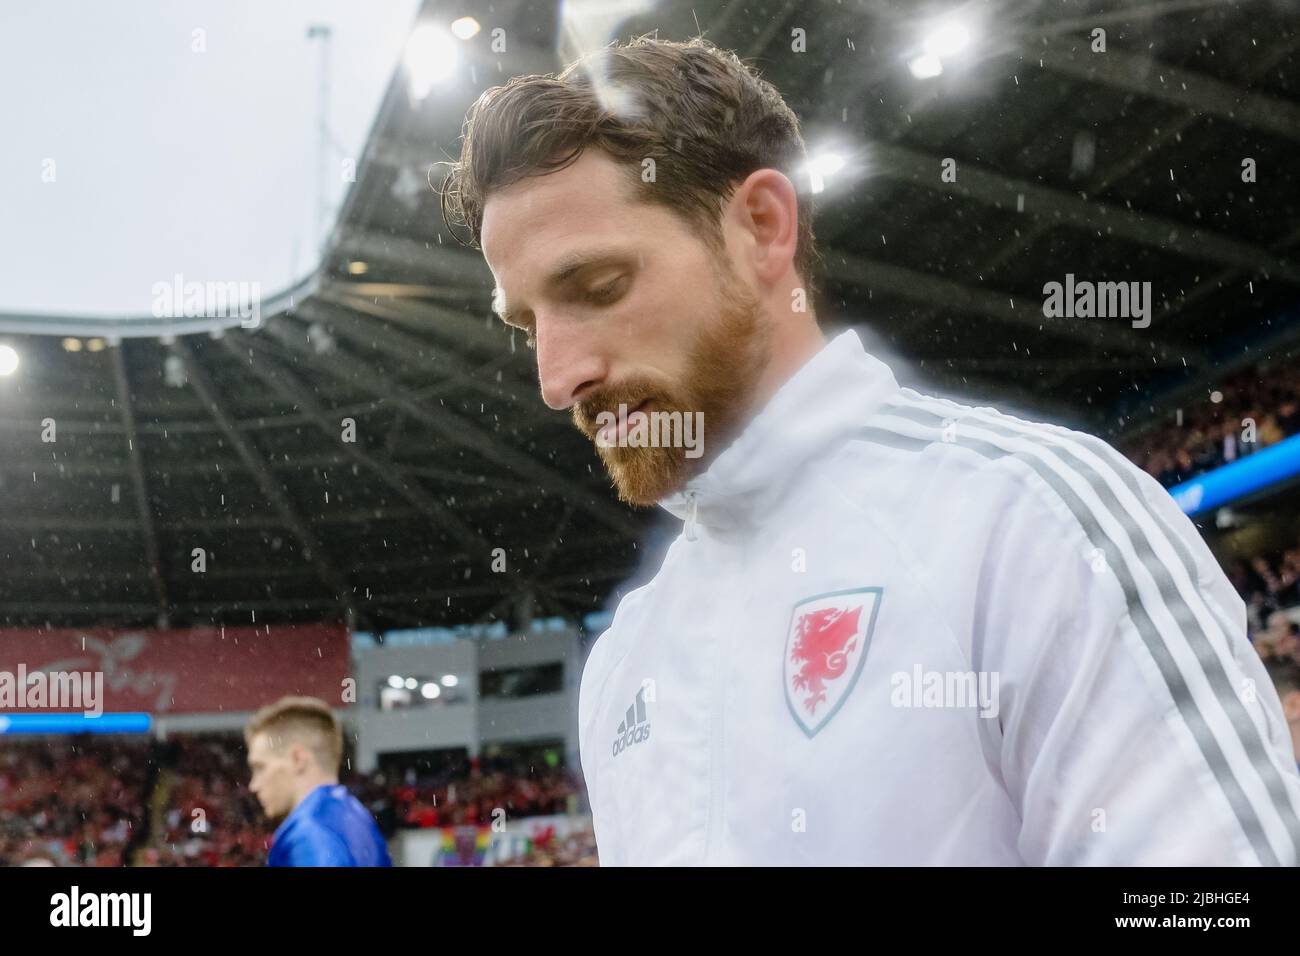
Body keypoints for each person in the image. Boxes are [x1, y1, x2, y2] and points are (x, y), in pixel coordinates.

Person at [439, 36, 1300, 864]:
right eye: (527, 327)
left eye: (597, 287)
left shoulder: (1033, 520)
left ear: (763, 228)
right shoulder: (628, 657)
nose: (557, 379)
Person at [245, 696, 391, 867]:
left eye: (260, 767)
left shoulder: (310, 833)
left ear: (298, 759)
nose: (253, 785)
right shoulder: (356, 815)